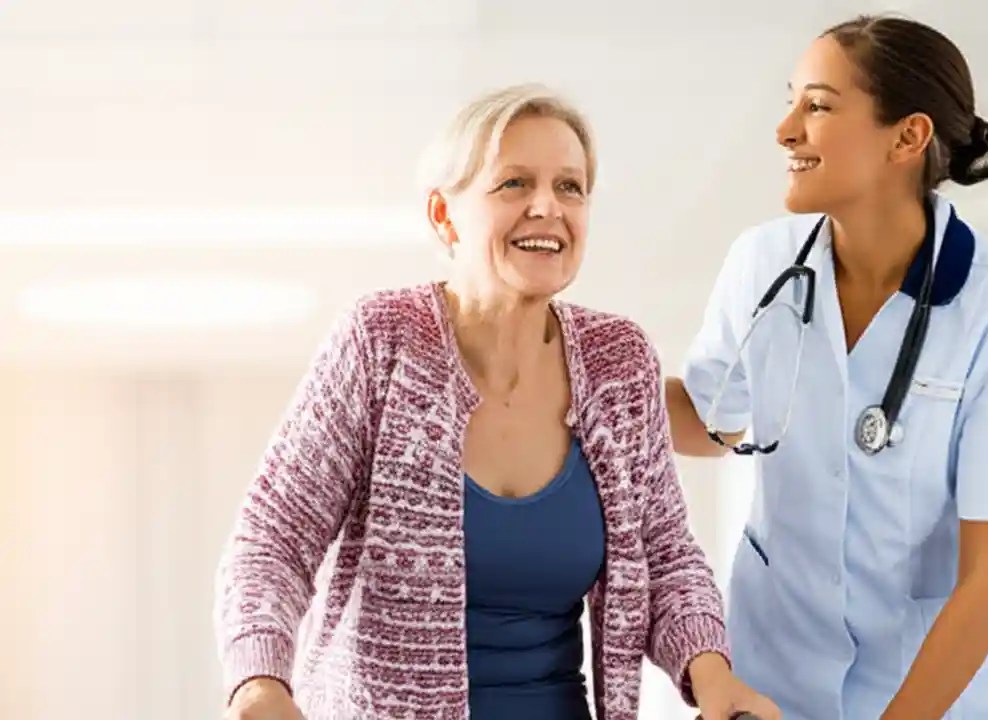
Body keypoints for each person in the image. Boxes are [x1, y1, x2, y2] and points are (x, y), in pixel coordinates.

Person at [215, 83, 780, 720]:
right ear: (443, 216)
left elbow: (668, 559)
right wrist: (260, 684)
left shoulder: (617, 360)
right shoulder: (380, 341)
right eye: (514, 183)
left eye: (570, 187)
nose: (548, 206)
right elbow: (272, 542)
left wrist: (712, 675)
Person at [666, 14, 988, 720]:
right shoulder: (763, 264)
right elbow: (712, 420)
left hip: (941, 698)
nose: (786, 128)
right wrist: (569, 381)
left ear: (908, 137)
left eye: (817, 105)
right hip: (777, 684)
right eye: (791, 101)